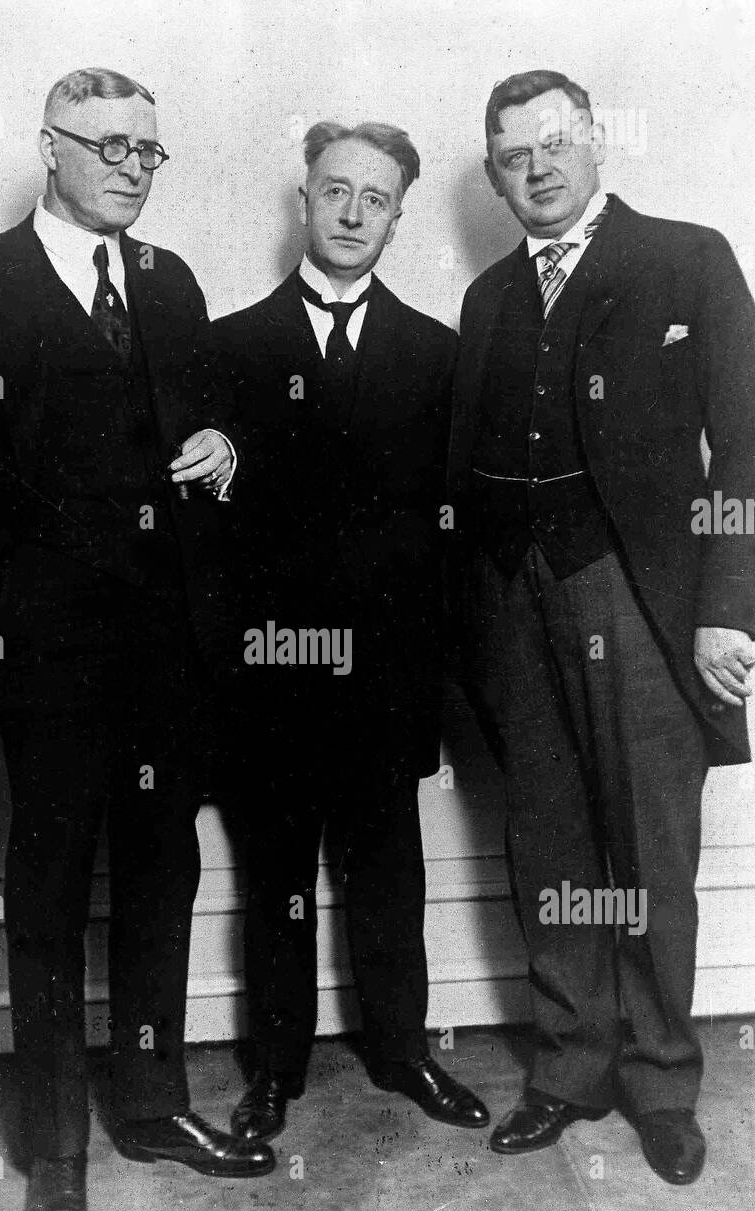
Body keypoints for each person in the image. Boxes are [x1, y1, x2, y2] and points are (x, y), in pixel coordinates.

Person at [0, 67, 274, 1211]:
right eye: (109, 147)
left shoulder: (170, 280)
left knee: (162, 873)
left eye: (151, 151)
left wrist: (224, 444)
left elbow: (207, 425)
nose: (132, 168)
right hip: (43, 655)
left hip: (168, 650)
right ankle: (55, 1152)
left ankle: (149, 1106)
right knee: (46, 891)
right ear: (49, 149)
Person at [448, 70, 755, 1183]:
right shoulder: (491, 297)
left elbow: (754, 446)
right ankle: (568, 1065)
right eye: (513, 156)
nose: (536, 168)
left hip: (643, 605)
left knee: (648, 847)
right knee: (546, 838)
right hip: (516, 601)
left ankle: (660, 1082)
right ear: (495, 176)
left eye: (553, 143)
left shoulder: (687, 256)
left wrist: (728, 613)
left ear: (596, 141)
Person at [214, 121, 489, 1141]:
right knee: (276, 877)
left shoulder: (437, 354)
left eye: (376, 198)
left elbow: (450, 534)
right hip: (270, 678)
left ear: (399, 215)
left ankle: (403, 1051)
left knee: (388, 870)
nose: (353, 213)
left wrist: (431, 676)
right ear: (304, 198)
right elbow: (208, 532)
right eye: (336, 191)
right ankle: (273, 1072)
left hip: (384, 679)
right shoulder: (231, 344)